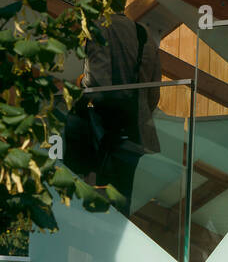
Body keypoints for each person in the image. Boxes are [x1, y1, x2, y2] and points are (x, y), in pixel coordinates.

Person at [65, 11, 161, 213]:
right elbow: (154, 92)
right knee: (122, 200)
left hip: (102, 132)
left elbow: (97, 85)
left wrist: (78, 84)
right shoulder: (144, 33)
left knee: (94, 202)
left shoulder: (98, 27)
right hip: (136, 132)